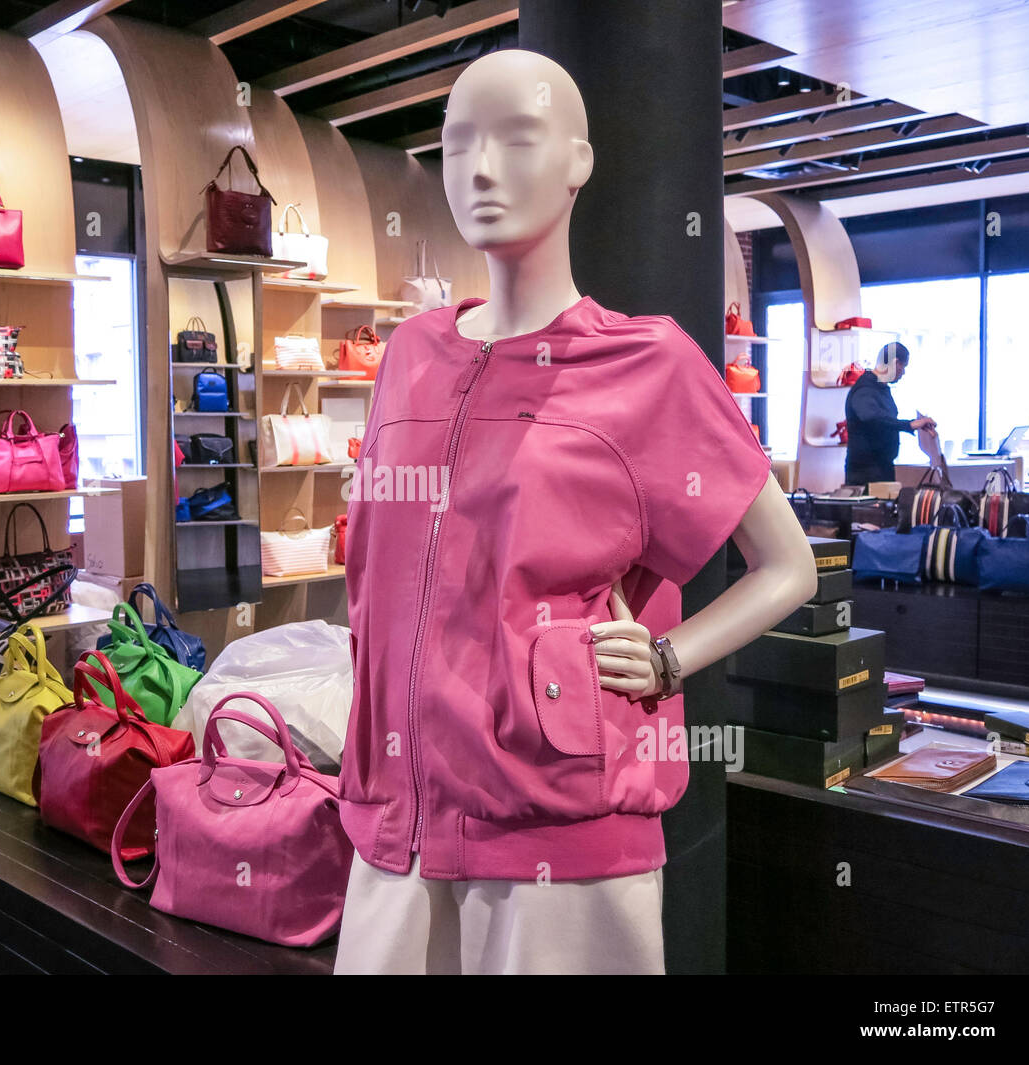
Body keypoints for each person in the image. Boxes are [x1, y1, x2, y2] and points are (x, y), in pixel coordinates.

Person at [333, 49, 819, 975]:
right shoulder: (410, 354)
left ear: (579, 161)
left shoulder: (647, 366)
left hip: (557, 825)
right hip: (392, 823)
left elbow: (787, 564)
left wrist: (671, 659)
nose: (481, 169)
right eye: (457, 143)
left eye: (518, 139)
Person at [843, 342, 937, 484]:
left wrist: (911, 425)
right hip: (865, 474)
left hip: (882, 468)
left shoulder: (881, 389)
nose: (903, 372)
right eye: (903, 367)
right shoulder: (865, 389)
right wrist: (909, 425)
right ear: (895, 362)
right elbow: (872, 418)